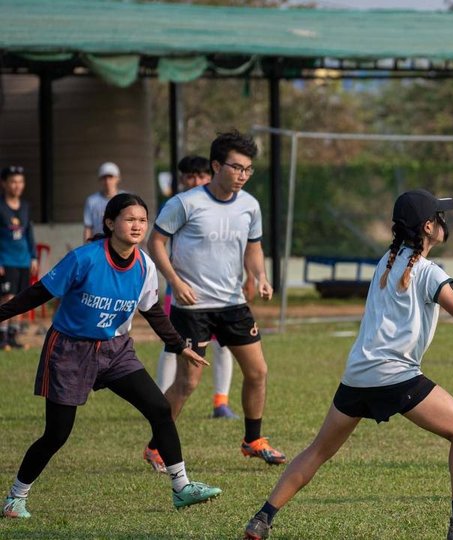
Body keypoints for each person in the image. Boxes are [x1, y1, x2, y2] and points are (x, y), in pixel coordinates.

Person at [242, 189, 453, 540]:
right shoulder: (430, 272)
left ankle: (262, 518)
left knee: (318, 451)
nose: (446, 222)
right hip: (396, 375)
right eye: (441, 217)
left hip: (357, 375)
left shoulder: (387, 261)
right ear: (429, 227)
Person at [0, 193, 221, 519]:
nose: (137, 225)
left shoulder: (144, 265)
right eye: (130, 219)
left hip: (116, 350)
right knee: (57, 434)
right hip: (70, 350)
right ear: (110, 223)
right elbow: (38, 293)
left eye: (143, 220)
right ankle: (14, 498)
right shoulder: (84, 258)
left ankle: (181, 487)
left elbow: (154, 312)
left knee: (160, 408)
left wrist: (179, 345)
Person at [144, 130, 285, 473]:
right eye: (237, 167)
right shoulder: (185, 203)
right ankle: (155, 446)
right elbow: (155, 243)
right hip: (192, 308)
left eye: (248, 170)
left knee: (258, 371)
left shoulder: (250, 206)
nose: (242, 175)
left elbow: (253, 248)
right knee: (187, 383)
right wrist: (175, 282)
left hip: (233, 305)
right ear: (217, 165)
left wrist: (260, 276)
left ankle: (253, 440)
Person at [153, 155, 239, 428]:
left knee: (222, 345)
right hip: (182, 292)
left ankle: (221, 402)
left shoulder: (224, 206)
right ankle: (159, 402)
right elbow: (158, 244)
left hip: (220, 293)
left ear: (211, 175)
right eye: (189, 176)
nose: (196, 181)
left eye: (200, 176)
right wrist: (174, 281)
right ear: (182, 180)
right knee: (172, 347)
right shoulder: (178, 207)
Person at [0, 165, 39, 350]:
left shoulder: (25, 206)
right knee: (7, 297)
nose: (17, 185)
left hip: (23, 260)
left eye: (20, 182)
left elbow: (29, 233)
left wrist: (33, 257)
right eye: (13, 182)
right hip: (6, 261)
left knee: (21, 299)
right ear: (4, 184)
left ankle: (14, 337)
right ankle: (2, 338)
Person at [83, 162, 122, 241]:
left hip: (121, 243)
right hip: (99, 243)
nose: (107, 181)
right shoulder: (91, 201)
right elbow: (88, 227)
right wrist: (86, 248)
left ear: (118, 178)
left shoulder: (126, 198)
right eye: (104, 178)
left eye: (110, 177)